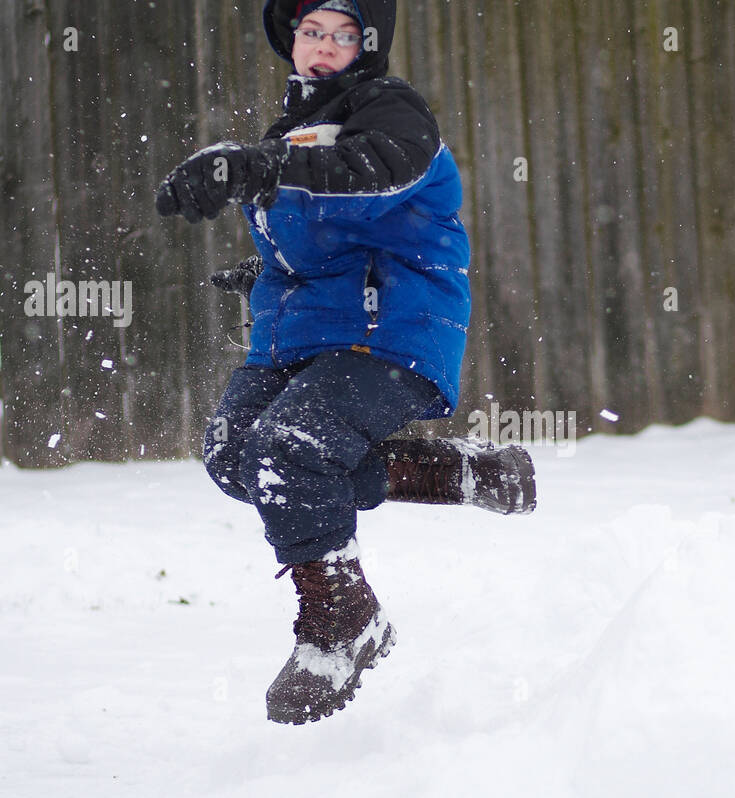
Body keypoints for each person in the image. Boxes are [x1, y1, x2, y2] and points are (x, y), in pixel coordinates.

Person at [155, 0, 536, 725]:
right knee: (233, 453)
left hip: (390, 328)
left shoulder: (393, 113)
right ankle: (460, 472)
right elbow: (322, 229)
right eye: (310, 32)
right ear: (290, 42)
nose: (323, 47)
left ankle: (342, 619)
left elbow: (375, 176)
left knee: (290, 447)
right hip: (302, 334)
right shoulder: (289, 134)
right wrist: (262, 270)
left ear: (368, 47)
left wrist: (255, 166)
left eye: (343, 35)